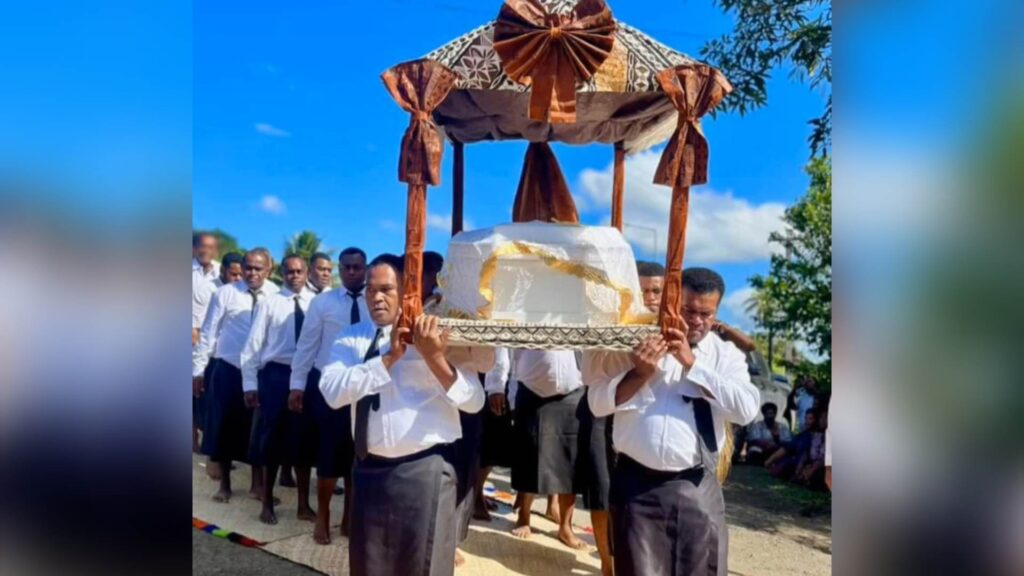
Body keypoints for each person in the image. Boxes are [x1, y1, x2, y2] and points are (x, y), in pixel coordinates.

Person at [584, 267, 760, 576]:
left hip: (696, 486)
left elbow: (745, 410)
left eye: (706, 314)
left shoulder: (725, 355)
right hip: (635, 487)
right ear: (671, 302)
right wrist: (638, 374)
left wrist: (693, 365)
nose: (696, 321)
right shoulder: (634, 343)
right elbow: (597, 405)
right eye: (688, 310)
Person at [319, 255, 484, 576]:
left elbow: (474, 401)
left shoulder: (440, 334)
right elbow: (332, 392)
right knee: (369, 567)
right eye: (370, 290)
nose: (376, 298)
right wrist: (388, 359)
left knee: (422, 566)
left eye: (386, 290)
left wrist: (434, 357)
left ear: (407, 291)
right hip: (369, 471)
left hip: (424, 472)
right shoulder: (351, 337)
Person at [290, 247, 369, 544]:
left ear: (365, 267)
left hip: (364, 389)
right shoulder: (323, 302)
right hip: (330, 387)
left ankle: (349, 517)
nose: (351, 272)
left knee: (356, 456)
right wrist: (297, 385)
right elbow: (307, 344)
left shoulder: (377, 302)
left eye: (357, 267)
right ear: (339, 269)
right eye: (346, 267)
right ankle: (322, 517)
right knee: (328, 456)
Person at [193, 248, 280, 503]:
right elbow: (208, 333)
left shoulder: (276, 295)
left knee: (257, 428)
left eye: (258, 268)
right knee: (225, 426)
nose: (252, 272)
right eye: (248, 267)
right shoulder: (224, 294)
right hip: (228, 369)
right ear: (241, 268)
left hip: (260, 371)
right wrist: (198, 370)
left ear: (268, 270)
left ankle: (257, 486)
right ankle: (225, 486)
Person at [240, 255, 318, 525]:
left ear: (307, 272)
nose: (294, 276)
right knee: (271, 439)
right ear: (281, 274)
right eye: (289, 272)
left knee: (304, 441)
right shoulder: (269, 303)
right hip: (275, 375)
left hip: (307, 375)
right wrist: (249, 384)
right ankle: (266, 502)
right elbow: (253, 344)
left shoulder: (316, 303)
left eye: (299, 271)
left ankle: (303, 505)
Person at [496, 348, 588, 550]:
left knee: (569, 461)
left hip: (573, 387)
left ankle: (565, 526)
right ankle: (524, 515)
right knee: (529, 454)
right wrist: (496, 384)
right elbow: (504, 344)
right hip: (532, 385)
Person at [194, 253, 244, 456]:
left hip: (235, 359)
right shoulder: (209, 289)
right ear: (222, 270)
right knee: (208, 406)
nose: (238, 278)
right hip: (211, 355)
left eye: (241, 274)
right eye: (234, 274)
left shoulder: (245, 292)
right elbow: (205, 328)